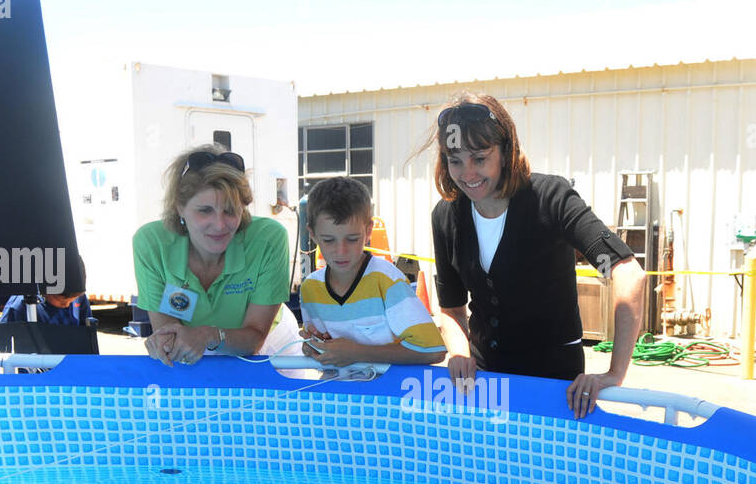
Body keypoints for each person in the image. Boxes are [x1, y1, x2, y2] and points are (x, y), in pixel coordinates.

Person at [426, 93, 646, 418]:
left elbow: (629, 272)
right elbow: (452, 309)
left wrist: (614, 373)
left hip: (556, 381)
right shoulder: (446, 216)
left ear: (505, 150)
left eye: (479, 158)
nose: (467, 173)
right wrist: (459, 354)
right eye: (455, 160)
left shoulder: (551, 198)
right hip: (486, 380)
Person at [132, 145, 294, 366]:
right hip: (196, 345)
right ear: (179, 207)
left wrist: (209, 335)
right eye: (205, 210)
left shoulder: (268, 239)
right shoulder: (152, 244)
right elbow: (169, 334)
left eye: (230, 210)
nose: (219, 225)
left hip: (271, 346)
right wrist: (163, 342)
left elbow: (254, 341)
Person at [299, 177, 446, 367]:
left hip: (389, 394)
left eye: (352, 239)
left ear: (368, 231)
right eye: (328, 240)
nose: (341, 251)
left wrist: (357, 353)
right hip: (338, 393)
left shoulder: (385, 279)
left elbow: (432, 350)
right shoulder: (310, 288)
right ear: (313, 234)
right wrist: (313, 347)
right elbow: (323, 347)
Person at [0, 289, 93, 326]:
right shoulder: (18, 307)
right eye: (62, 301)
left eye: (72, 300)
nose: (67, 305)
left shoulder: (80, 298)